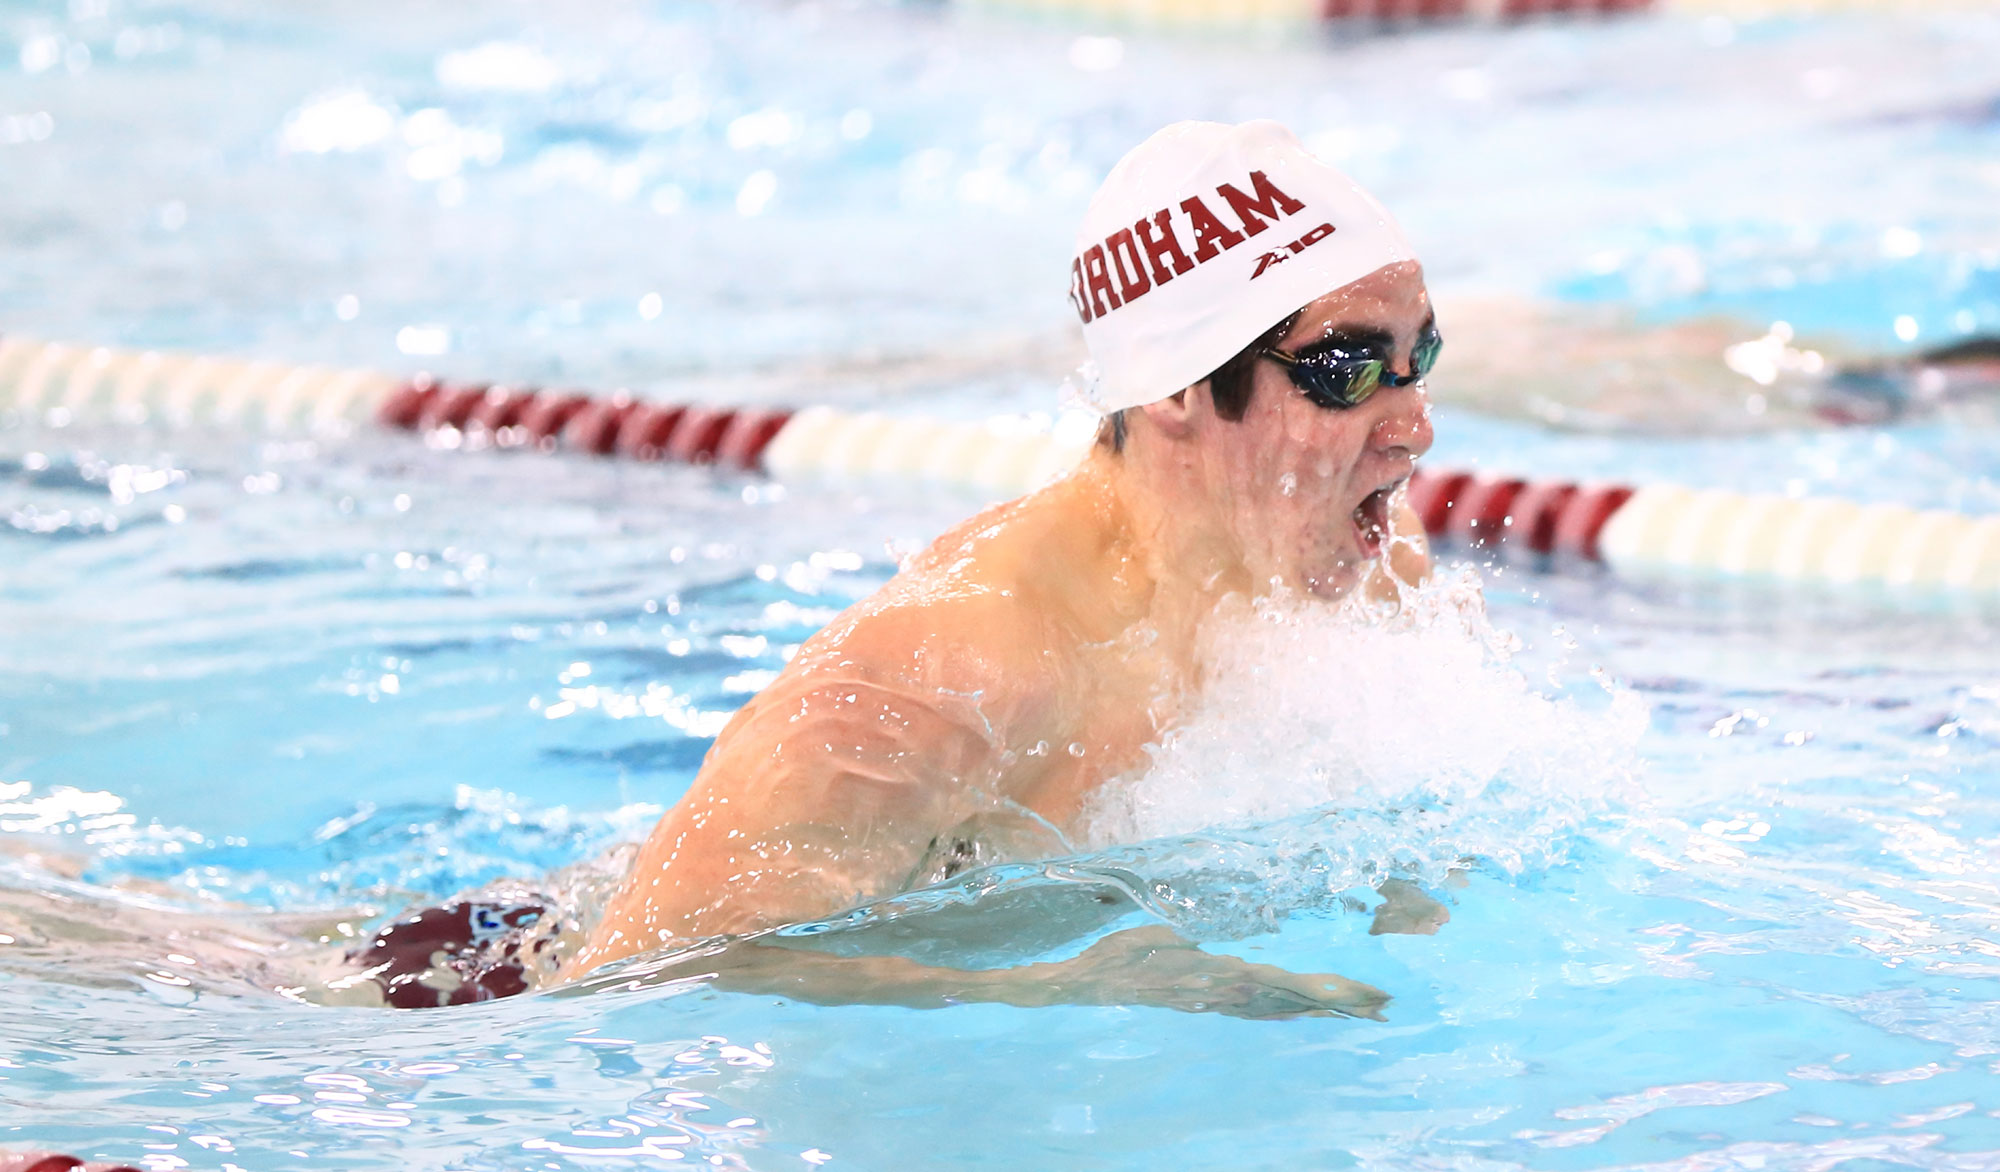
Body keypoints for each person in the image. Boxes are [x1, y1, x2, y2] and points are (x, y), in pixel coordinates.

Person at [352, 119, 1442, 1016]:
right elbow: (661, 972)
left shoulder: (1364, 558)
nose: (1412, 428)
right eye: (1346, 369)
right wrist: (1105, 977)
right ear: (1172, 386)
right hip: (455, 992)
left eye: (1418, 358)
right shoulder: (944, 672)